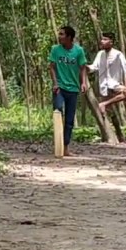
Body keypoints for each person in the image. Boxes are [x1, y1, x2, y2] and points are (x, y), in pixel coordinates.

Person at [48, 25, 89, 156]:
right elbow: (52, 67)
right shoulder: (55, 50)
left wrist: (83, 82)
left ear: (69, 37)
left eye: (62, 34)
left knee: (70, 120)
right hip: (59, 87)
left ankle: (65, 147)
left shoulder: (79, 51)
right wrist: (55, 83)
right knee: (58, 111)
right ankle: (57, 144)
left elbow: (83, 67)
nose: (59, 37)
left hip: (73, 88)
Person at [89, 32, 126, 141]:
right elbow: (94, 67)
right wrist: (85, 67)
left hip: (114, 84)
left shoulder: (118, 54)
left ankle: (104, 104)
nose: (102, 41)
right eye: (102, 39)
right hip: (103, 85)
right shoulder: (100, 54)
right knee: (109, 112)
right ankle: (115, 136)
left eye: (105, 39)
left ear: (111, 42)